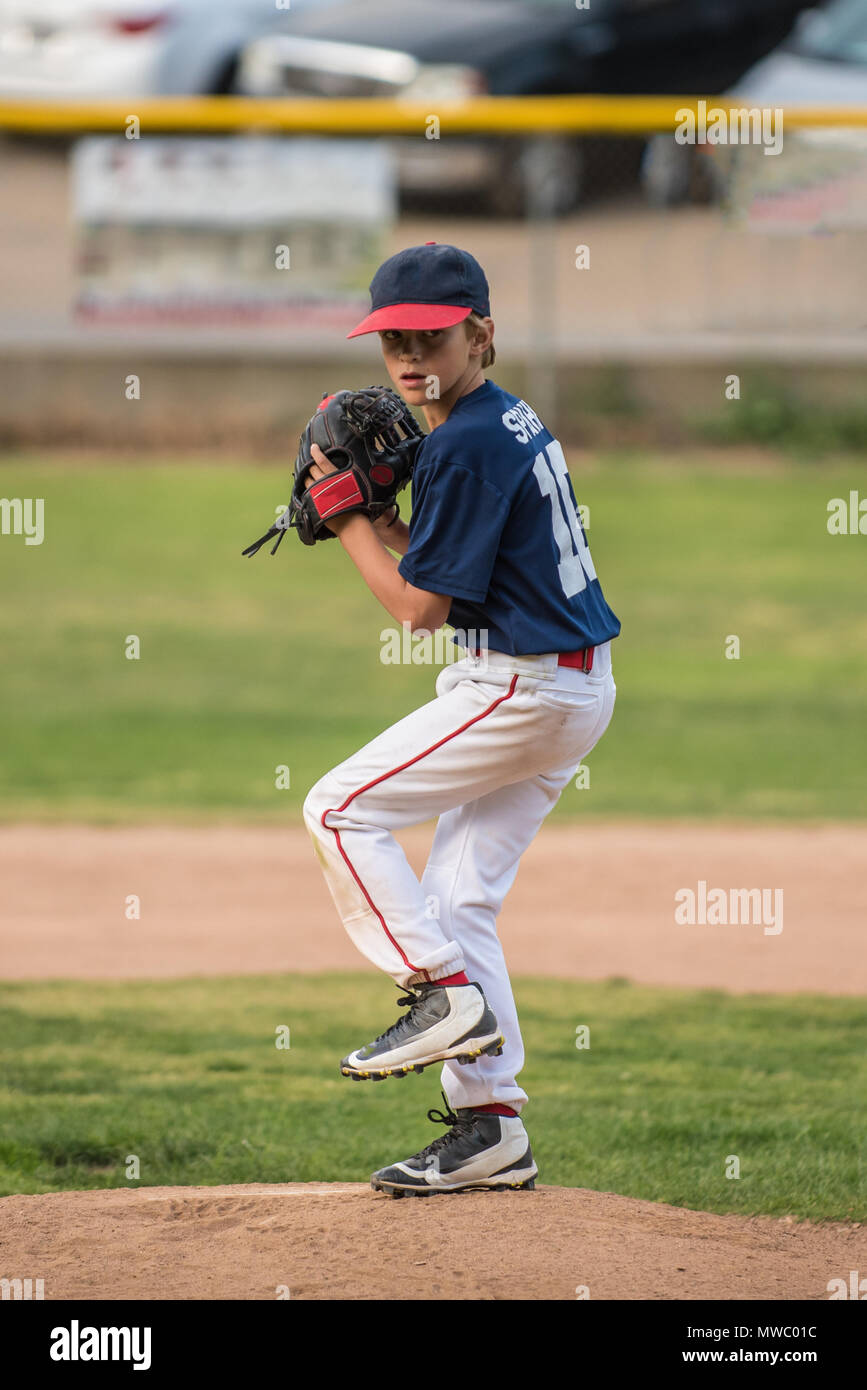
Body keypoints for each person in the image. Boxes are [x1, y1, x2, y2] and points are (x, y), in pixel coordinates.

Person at [302, 241, 620, 1197]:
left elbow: (415, 609)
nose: (409, 356)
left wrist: (348, 515)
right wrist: (379, 515)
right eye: (393, 338)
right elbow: (448, 567)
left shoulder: (465, 439)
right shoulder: (497, 419)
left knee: (336, 808)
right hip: (565, 684)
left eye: (431, 336)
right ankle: (491, 1127)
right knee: (457, 901)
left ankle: (439, 993)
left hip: (522, 690)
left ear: (479, 333)